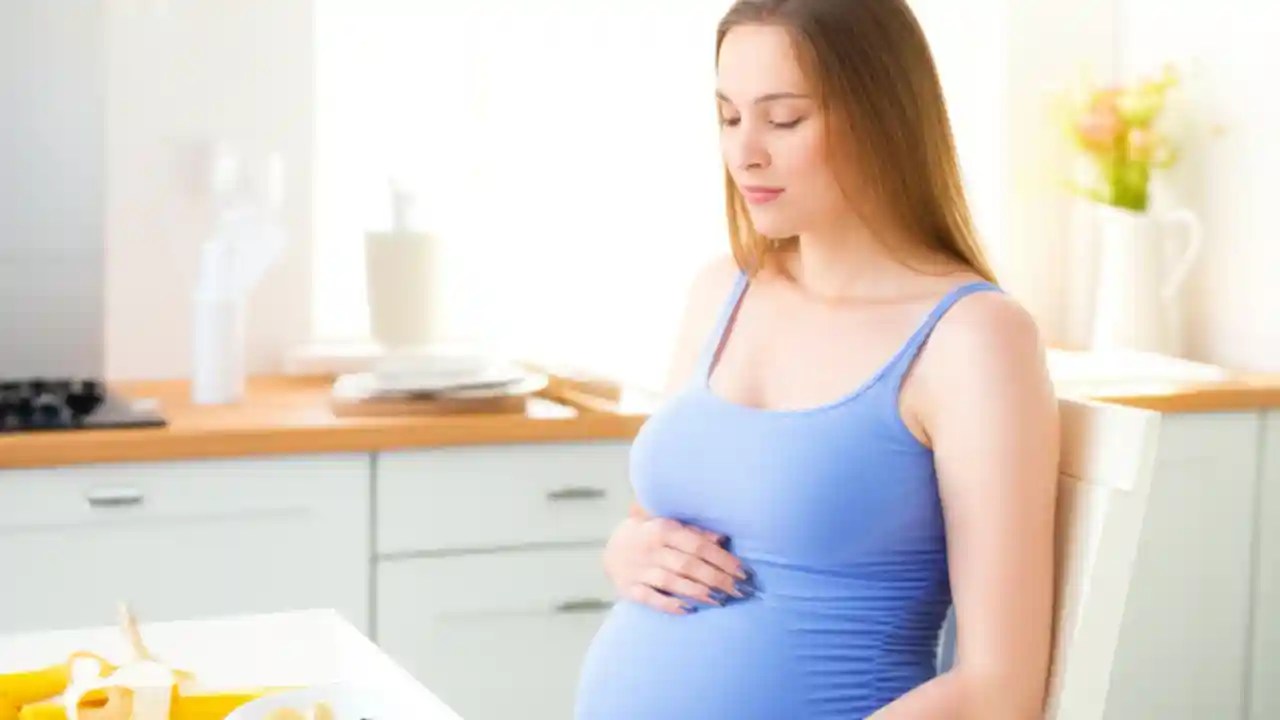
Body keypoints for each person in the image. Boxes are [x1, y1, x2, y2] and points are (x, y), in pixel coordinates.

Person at [573, 1, 1060, 718]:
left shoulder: (973, 340)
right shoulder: (723, 290)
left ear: (883, 118)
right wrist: (627, 549)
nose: (745, 153)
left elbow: (999, 691)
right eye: (729, 116)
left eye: (784, 119)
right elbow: (655, 521)